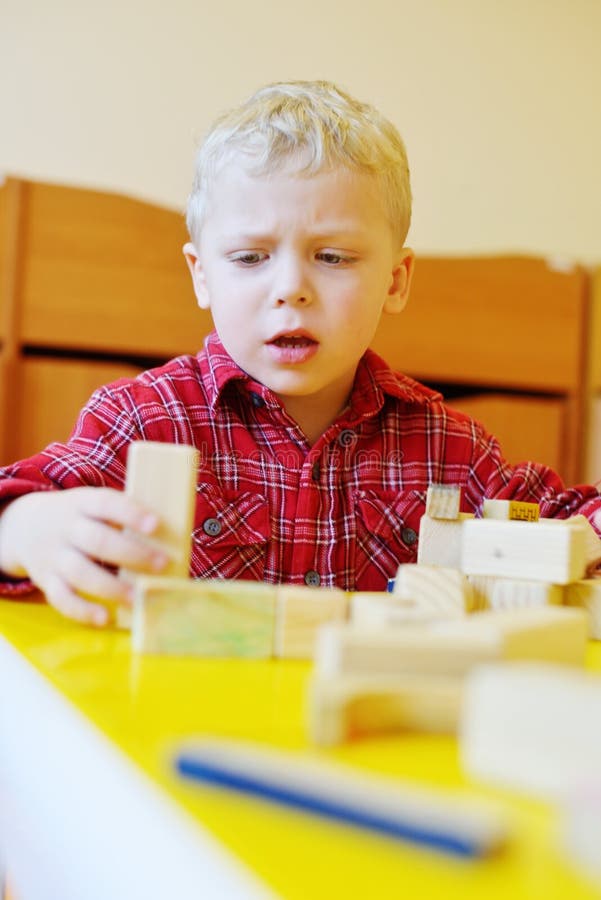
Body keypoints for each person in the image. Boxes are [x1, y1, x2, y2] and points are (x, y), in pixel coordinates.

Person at [0, 80, 599, 627]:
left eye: (332, 257)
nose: (291, 288)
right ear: (202, 275)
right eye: (250, 258)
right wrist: (22, 529)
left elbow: (569, 522)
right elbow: (19, 500)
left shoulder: (451, 450)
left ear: (394, 282)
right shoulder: (142, 420)